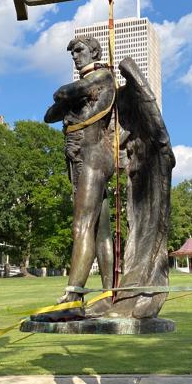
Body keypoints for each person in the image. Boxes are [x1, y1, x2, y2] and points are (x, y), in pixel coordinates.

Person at [43, 34, 117, 308]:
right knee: (100, 230)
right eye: (72, 52)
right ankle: (110, 294)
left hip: (93, 154)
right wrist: (72, 96)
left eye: (79, 50)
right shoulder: (86, 84)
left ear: (94, 52)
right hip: (80, 156)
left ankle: (73, 296)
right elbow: (49, 115)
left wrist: (71, 95)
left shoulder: (103, 76)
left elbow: (62, 93)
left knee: (82, 224)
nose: (74, 55)